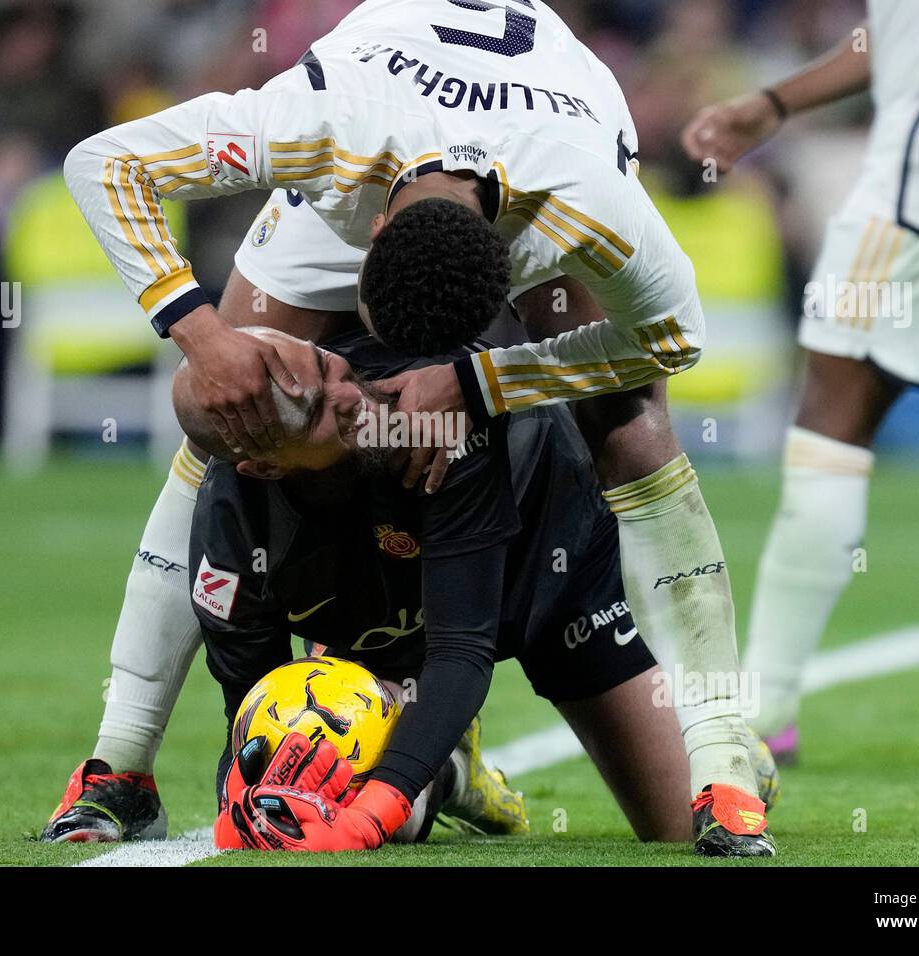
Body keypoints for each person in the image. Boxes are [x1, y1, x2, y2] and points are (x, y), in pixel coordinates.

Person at [63, 0, 774, 854]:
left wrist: (481, 379)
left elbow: (676, 338)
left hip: (544, 149)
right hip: (378, 136)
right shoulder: (315, 126)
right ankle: (119, 767)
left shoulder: (590, 204)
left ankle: (724, 756)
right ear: (377, 232)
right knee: (228, 410)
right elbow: (101, 163)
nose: (378, 379)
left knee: (631, 419)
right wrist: (202, 335)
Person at [681, 0, 919, 760]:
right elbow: (902, 35)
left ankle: (766, 707)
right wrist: (776, 103)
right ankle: (769, 703)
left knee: (832, 419)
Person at [199, 326, 692, 850]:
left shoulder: (431, 416)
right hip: (385, 626)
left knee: (679, 828)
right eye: (316, 411)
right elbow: (250, 722)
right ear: (265, 466)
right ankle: (454, 774)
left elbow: (461, 651)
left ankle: (708, 733)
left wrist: (371, 816)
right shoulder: (232, 536)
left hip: (549, 569)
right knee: (318, 795)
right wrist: (241, 801)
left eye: (326, 365)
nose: (348, 396)